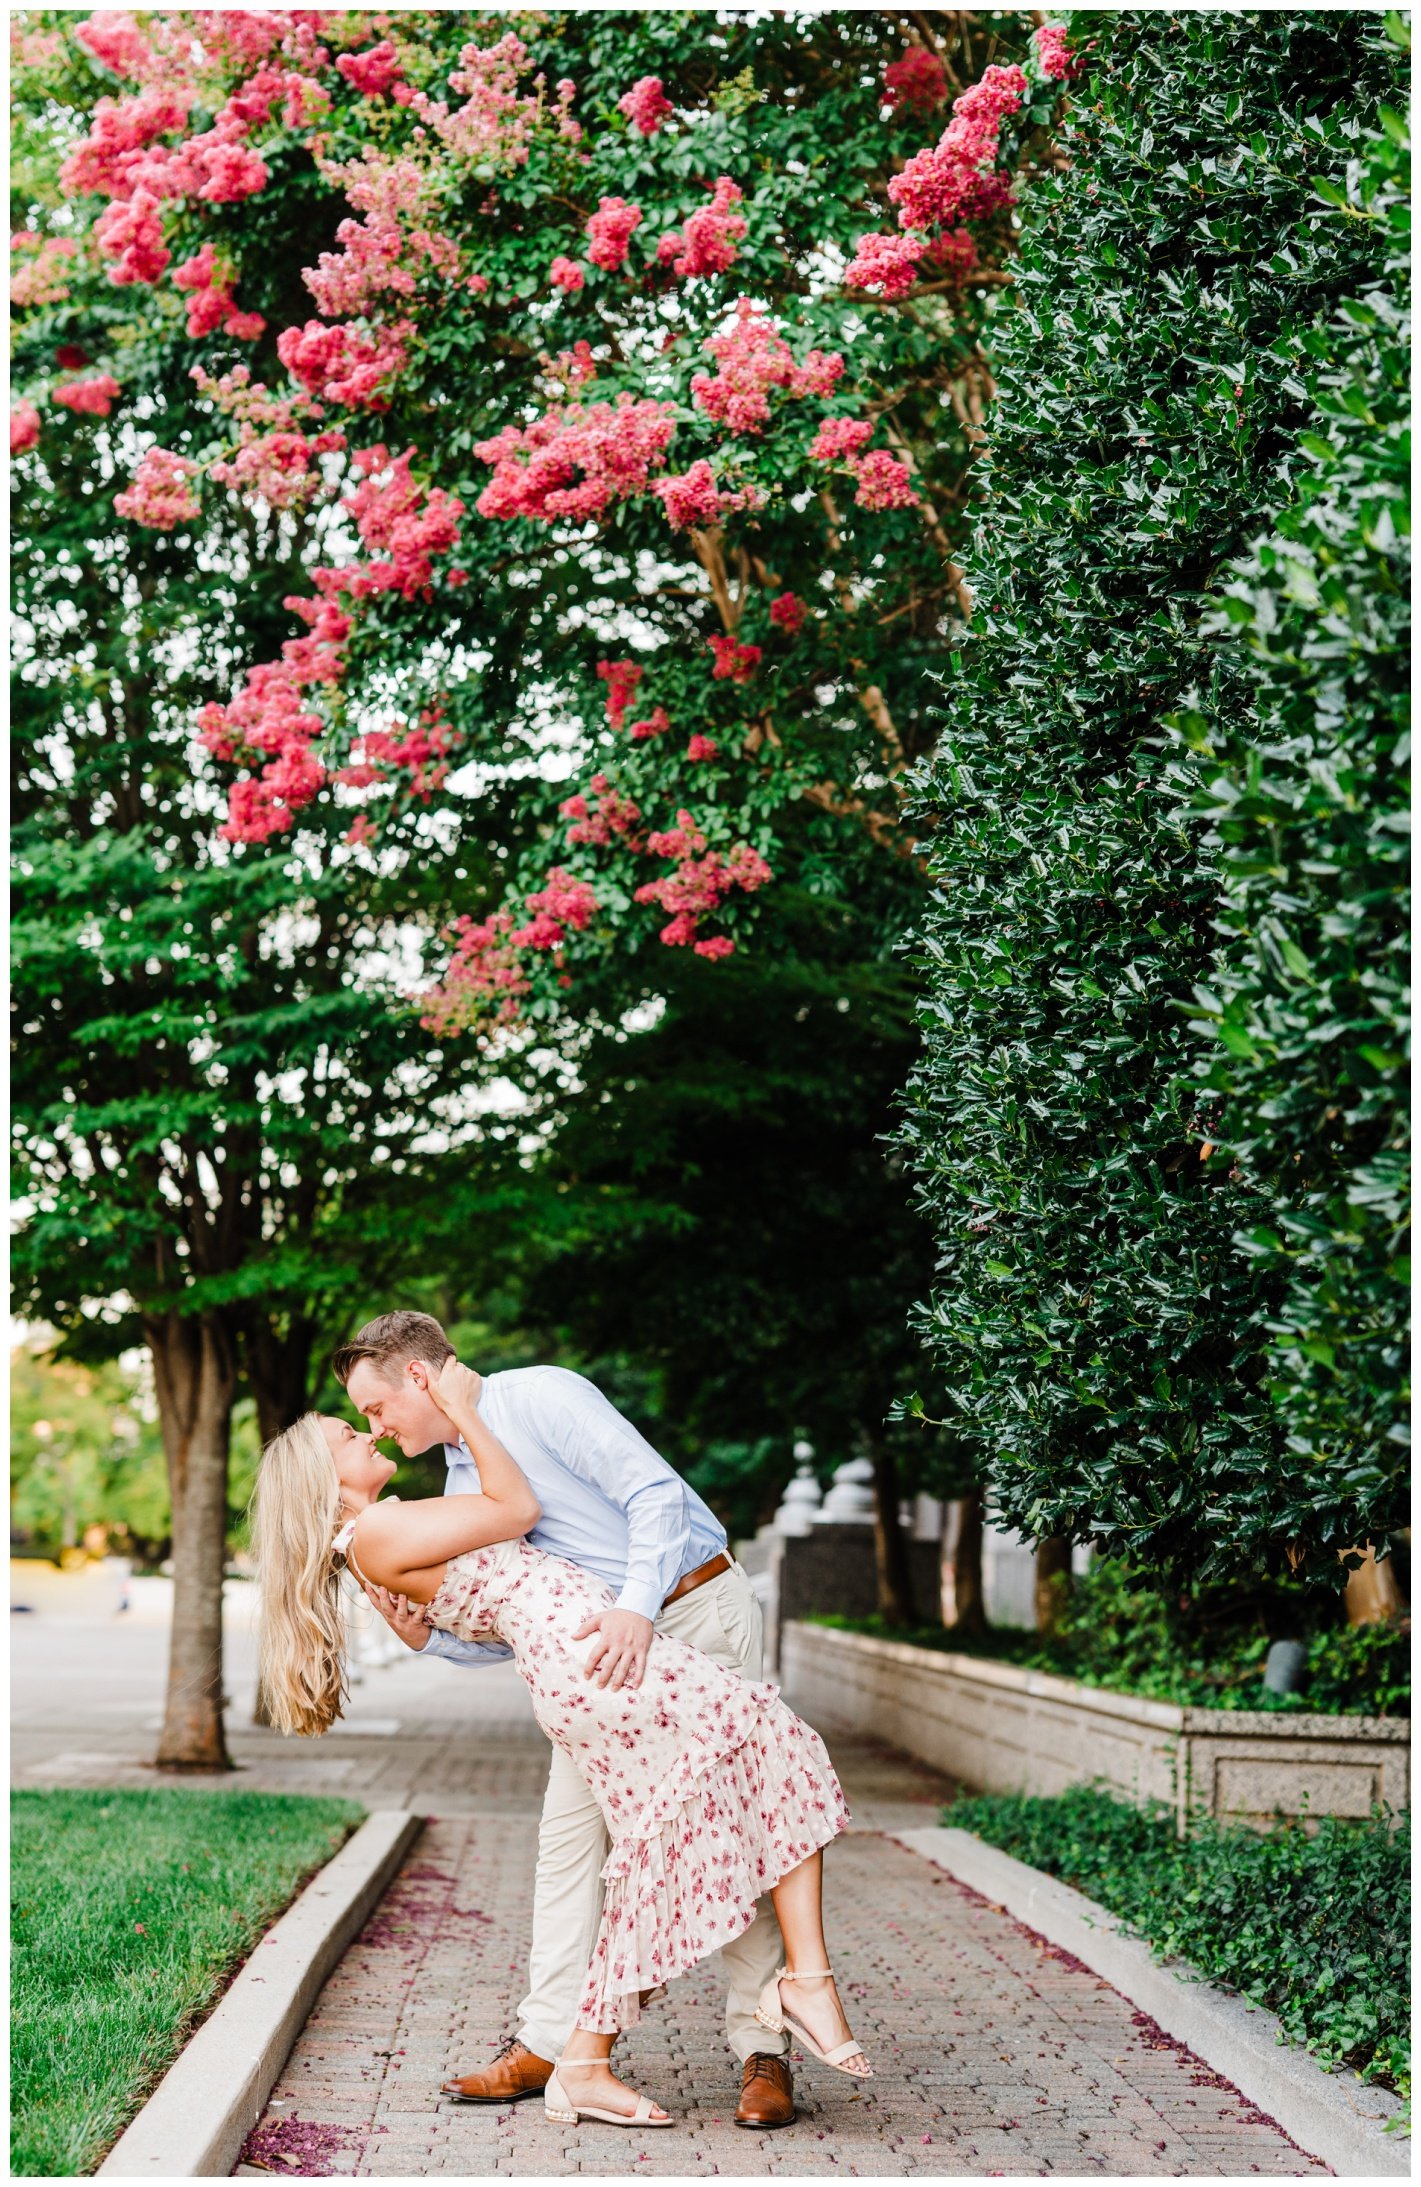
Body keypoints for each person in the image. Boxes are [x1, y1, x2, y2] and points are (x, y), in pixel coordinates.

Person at [252, 1358, 871, 2130]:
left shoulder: (534, 1400)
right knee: (694, 1806)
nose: (376, 1427)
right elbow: (516, 1532)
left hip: (677, 1614)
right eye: (355, 1426)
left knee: (715, 1809)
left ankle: (746, 2042)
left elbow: (639, 1504)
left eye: (375, 1407)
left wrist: (626, 1609)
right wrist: (435, 1637)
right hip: (596, 1666)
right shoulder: (404, 1513)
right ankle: (576, 2045)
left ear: (420, 1374)